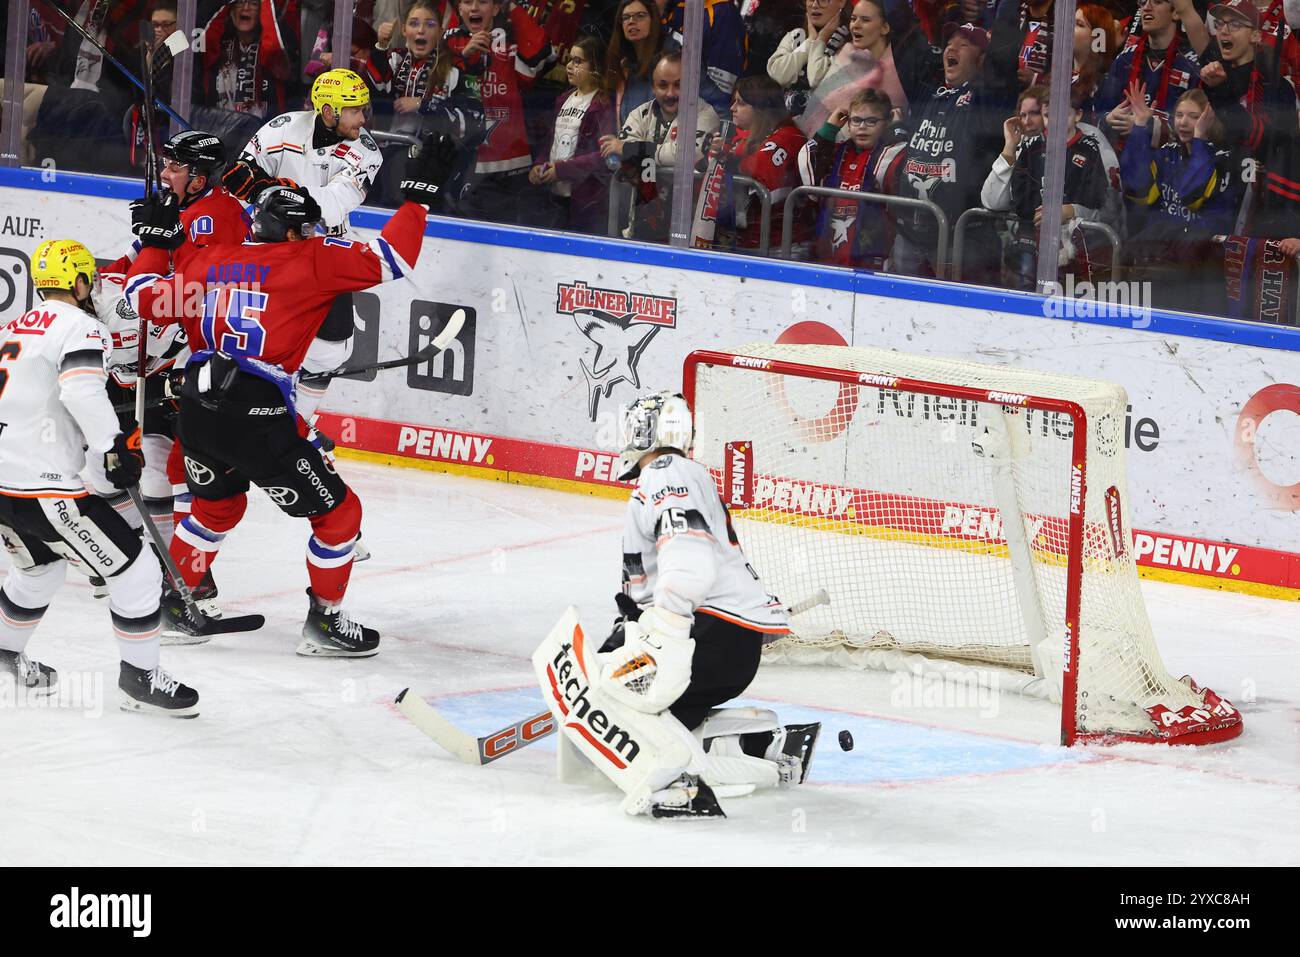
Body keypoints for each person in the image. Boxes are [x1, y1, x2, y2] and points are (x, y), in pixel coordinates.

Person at [124, 134, 460, 654]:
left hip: (197, 407)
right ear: (299, 230)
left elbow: (142, 300)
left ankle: (177, 603)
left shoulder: (212, 260)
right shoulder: (313, 258)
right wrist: (417, 199)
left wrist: (153, 244)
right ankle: (325, 623)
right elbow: (392, 258)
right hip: (254, 416)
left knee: (215, 509)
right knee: (340, 515)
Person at [532, 391, 817, 819]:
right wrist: (627, 631)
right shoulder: (679, 473)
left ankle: (680, 786)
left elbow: (689, 561)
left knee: (622, 708)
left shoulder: (664, 474)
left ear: (645, 431)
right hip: (725, 643)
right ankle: (764, 747)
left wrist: (662, 633)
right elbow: (650, 585)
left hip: (705, 635)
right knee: (656, 717)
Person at [0, 240, 198, 716]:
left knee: (39, 568)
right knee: (137, 568)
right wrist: (113, 446)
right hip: (42, 487)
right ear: (82, 282)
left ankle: (3, 656)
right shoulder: (83, 326)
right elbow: (81, 390)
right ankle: (140, 680)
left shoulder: (13, 327)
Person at [88, 131, 250, 631]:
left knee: (185, 471)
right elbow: (138, 266)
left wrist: (149, 274)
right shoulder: (186, 207)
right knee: (143, 462)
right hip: (173, 356)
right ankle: (151, 559)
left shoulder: (215, 217)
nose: (164, 174)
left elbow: (200, 292)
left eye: (174, 168)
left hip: (205, 358)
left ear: (198, 177)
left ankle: (185, 574)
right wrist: (105, 281)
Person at [222, 68, 384, 433]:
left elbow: (329, 207)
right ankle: (233, 414)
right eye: (355, 110)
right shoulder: (284, 128)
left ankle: (295, 426)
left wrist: (274, 189)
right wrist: (249, 182)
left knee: (331, 352)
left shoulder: (366, 154)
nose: (363, 118)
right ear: (329, 111)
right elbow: (240, 173)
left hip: (322, 253)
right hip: (270, 249)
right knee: (251, 338)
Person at [980, 86, 1110, 289]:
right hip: (1031, 242)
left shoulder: (1092, 147)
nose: (1055, 121)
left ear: (1078, 115)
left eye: (1063, 114)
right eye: (1049, 115)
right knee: (1024, 295)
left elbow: (1101, 204)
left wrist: (1069, 211)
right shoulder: (1029, 148)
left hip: (1079, 248)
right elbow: (1004, 201)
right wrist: (1009, 148)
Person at [602, 51, 721, 240]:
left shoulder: (706, 115)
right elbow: (627, 161)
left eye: (679, 85)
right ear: (653, 87)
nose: (671, 93)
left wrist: (630, 149)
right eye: (663, 85)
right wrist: (637, 153)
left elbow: (685, 155)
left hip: (690, 232)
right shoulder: (639, 114)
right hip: (642, 225)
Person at [798, 86, 907, 269]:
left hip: (873, 261)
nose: (862, 127)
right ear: (847, 123)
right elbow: (807, 166)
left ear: (887, 122)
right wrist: (829, 129)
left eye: (871, 121)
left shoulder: (887, 155)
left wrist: (897, 131)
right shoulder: (836, 152)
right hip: (827, 259)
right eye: (856, 120)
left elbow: (897, 163)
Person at [709, 76, 812, 253]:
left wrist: (728, 160)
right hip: (751, 242)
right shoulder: (747, 137)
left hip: (783, 247)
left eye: (740, 103)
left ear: (761, 108)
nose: (732, 108)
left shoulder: (790, 137)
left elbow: (761, 171)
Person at [529, 37, 616, 234]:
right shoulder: (563, 99)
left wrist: (561, 170)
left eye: (578, 61)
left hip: (586, 201)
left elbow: (603, 155)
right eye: (569, 60)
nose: (569, 65)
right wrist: (539, 165)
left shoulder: (602, 104)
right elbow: (551, 141)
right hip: (555, 197)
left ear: (595, 66)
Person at [767, 0, 849, 120]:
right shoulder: (797, 36)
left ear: (841, 2)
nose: (815, 5)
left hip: (824, 126)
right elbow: (778, 75)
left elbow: (816, 78)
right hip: (786, 124)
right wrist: (810, 41)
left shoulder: (846, 43)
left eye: (823, 0)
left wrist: (821, 38)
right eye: (810, 0)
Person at [605, 0, 664, 125]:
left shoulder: (668, 63)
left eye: (640, 16)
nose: (631, 21)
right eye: (625, 18)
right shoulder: (624, 67)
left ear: (653, 20)